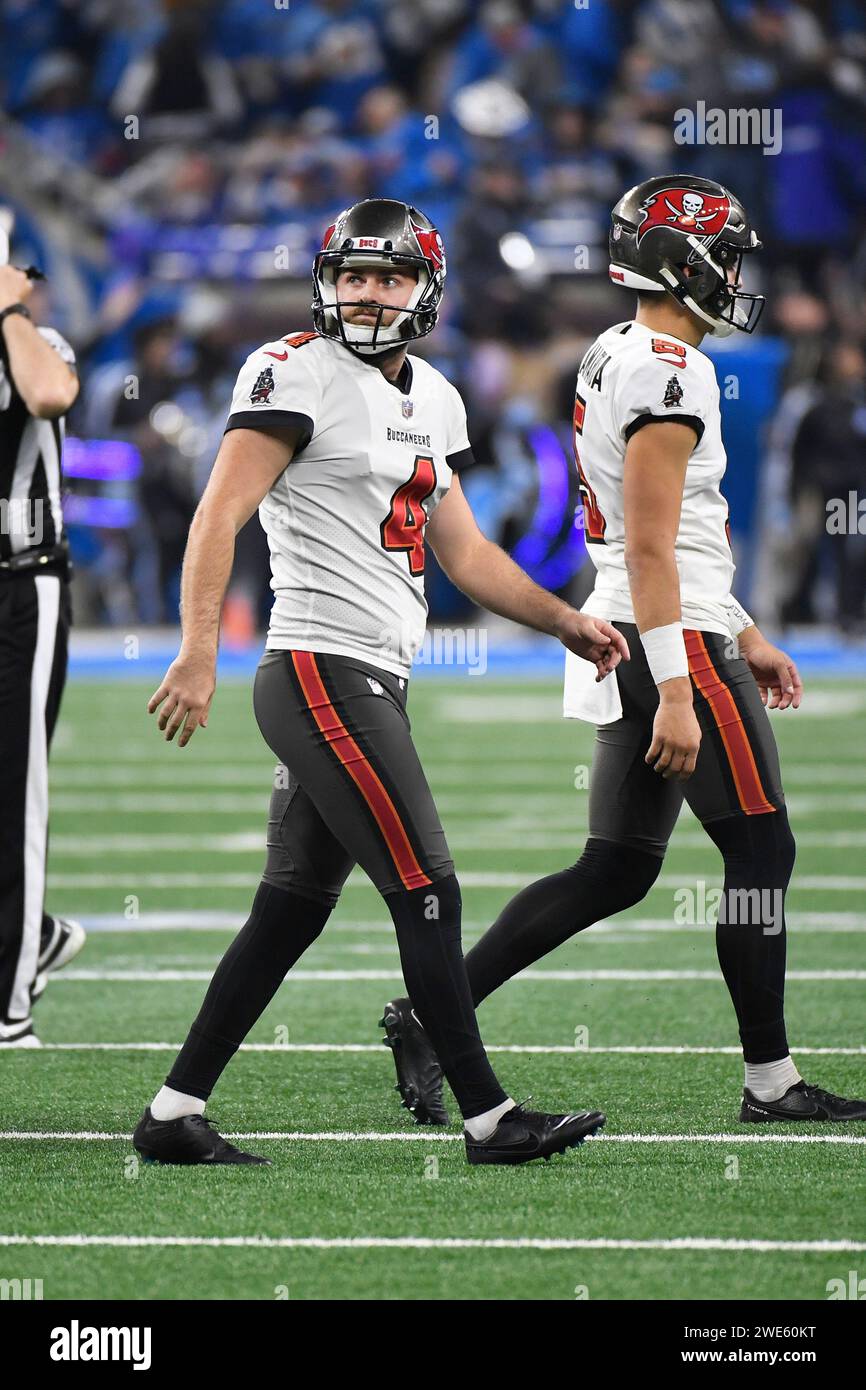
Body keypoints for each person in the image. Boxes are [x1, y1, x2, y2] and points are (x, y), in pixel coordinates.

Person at [132, 198, 624, 1166]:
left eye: (388, 277)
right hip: (318, 667)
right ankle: (490, 1119)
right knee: (426, 884)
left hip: (372, 677)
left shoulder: (434, 397)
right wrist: (197, 649)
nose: (365, 293)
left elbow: (464, 552)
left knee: (291, 909)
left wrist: (563, 619)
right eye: (351, 275)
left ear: (423, 290)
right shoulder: (293, 370)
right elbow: (218, 514)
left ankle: (172, 1112)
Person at [382, 176, 866, 1126]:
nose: (736, 277)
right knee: (761, 847)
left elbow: (673, 532)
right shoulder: (670, 371)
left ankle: (432, 1015)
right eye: (725, 259)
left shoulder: (616, 348)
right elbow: (651, 544)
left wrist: (747, 629)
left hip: (645, 622)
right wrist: (681, 687)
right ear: (684, 265)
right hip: (667, 633)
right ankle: (771, 1082)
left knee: (616, 867)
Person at [0, 217, 86, 1047]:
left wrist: (9, 312)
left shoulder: (39, 344)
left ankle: (9, 1000)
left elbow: (49, 395)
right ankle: (40, 933)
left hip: (21, 581)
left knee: (15, 788)